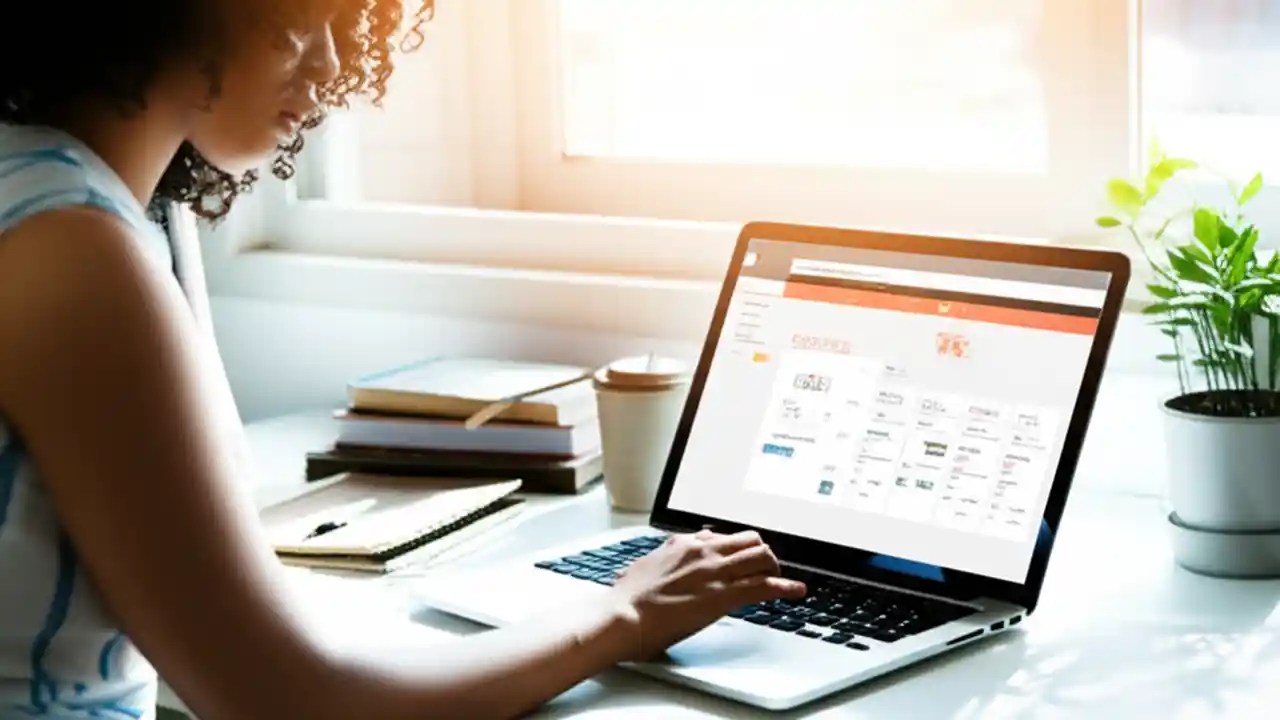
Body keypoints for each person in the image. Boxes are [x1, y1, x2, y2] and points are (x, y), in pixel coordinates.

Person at [0, 2, 805, 718]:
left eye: (341, 25)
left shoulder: (104, 205)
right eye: (292, 29)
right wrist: (619, 614)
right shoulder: (73, 250)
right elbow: (283, 699)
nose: (332, 68)